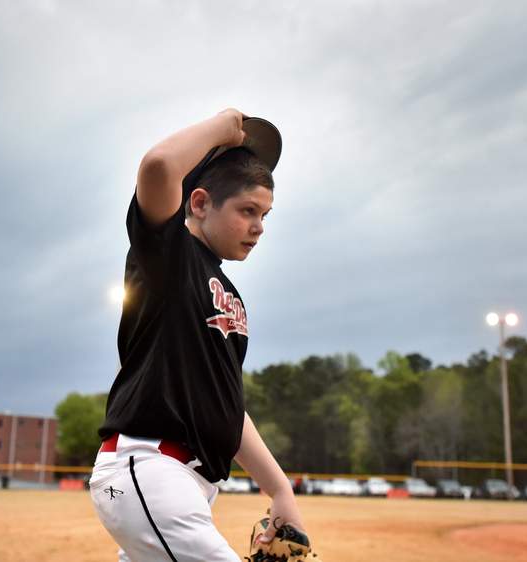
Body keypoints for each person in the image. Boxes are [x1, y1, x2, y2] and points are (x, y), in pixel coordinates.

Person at [88, 108, 305, 562]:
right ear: (201, 204)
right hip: (148, 470)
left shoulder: (228, 295)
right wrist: (224, 126)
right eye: (248, 210)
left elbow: (227, 407)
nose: (259, 226)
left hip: (186, 486)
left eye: (265, 214)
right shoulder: (170, 257)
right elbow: (159, 167)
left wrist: (279, 489)